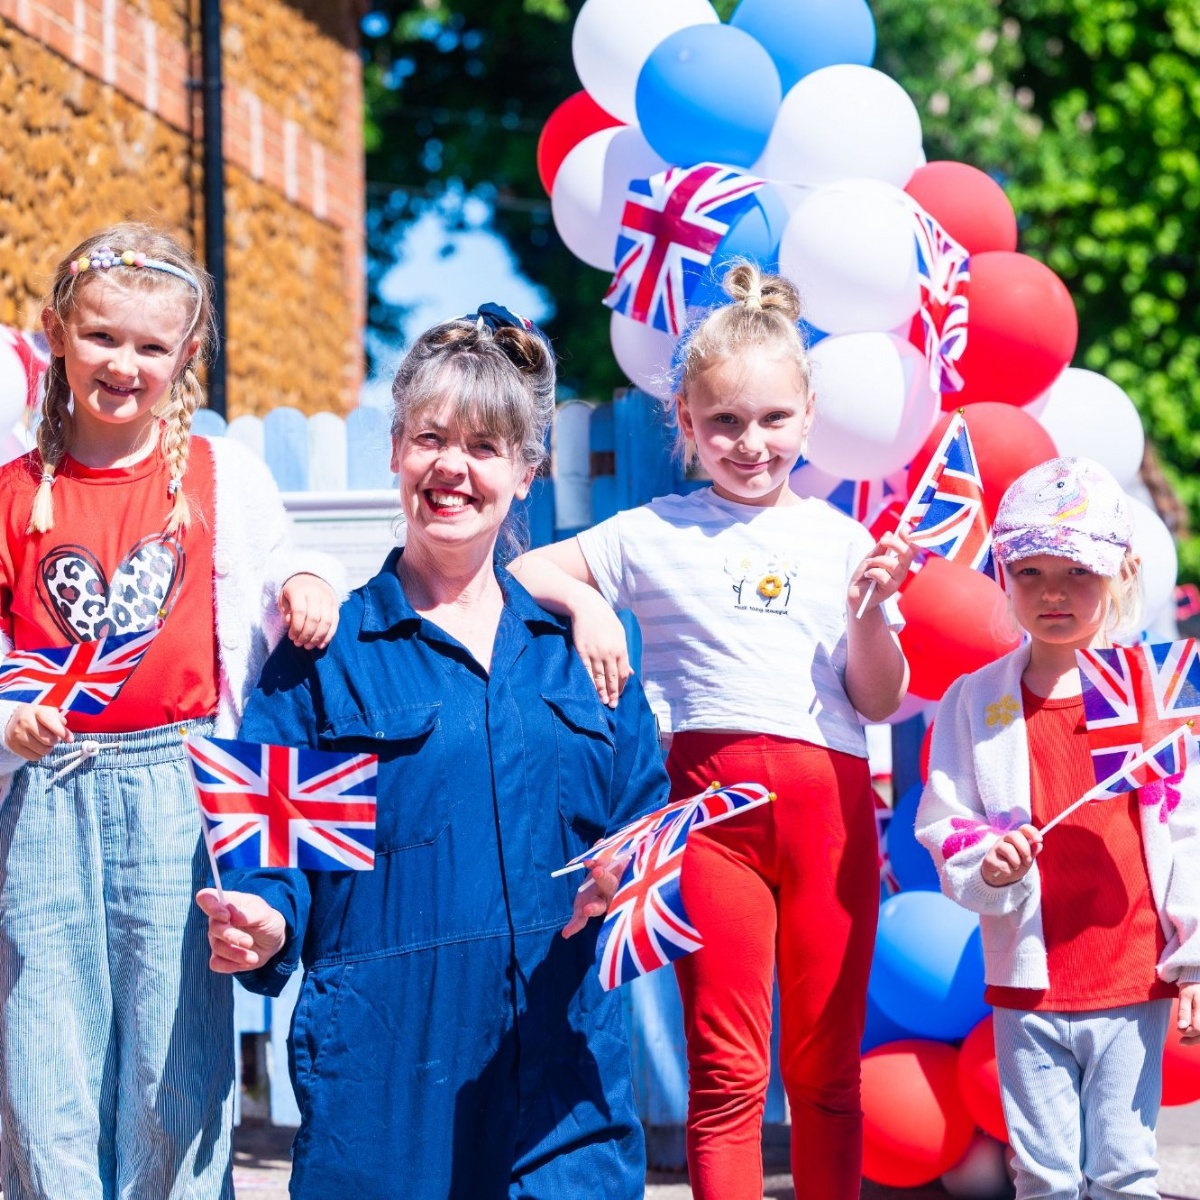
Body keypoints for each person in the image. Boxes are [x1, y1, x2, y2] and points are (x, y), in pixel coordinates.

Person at [196, 305, 672, 1200]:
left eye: (486, 447)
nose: (452, 467)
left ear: (526, 473)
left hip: (564, 1081)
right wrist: (261, 918)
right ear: (396, 452)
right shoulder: (321, 654)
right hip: (382, 1094)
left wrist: (632, 879)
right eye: (430, 438)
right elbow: (270, 846)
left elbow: (648, 821)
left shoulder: (590, 651)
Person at [509, 263, 914, 1200]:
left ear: (808, 417)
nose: (751, 442)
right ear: (685, 423)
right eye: (725, 421)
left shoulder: (844, 542)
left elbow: (881, 698)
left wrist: (867, 614)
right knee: (728, 1074)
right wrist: (588, 606)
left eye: (773, 419)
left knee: (825, 1074)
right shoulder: (650, 531)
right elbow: (523, 575)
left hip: (834, 821)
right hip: (710, 822)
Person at [0, 223, 344, 1200]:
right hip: (42, 798)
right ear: (57, 334)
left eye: (152, 347)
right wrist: (12, 713)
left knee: (172, 1062)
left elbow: (283, 556)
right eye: (103, 336)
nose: (124, 363)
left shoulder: (220, 475)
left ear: (186, 357)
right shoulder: (15, 493)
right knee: (42, 1049)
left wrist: (308, 579)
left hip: (182, 789)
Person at [916, 456, 1200, 1200]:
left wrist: (1195, 952)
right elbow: (946, 819)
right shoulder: (977, 700)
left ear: (1121, 575)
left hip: (1131, 974)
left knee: (1126, 1171)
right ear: (1003, 577)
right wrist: (990, 865)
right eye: (1030, 572)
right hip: (1028, 982)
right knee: (1041, 1175)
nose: (1053, 593)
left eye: (1078, 572)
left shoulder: (1150, 695)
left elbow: (1191, 824)